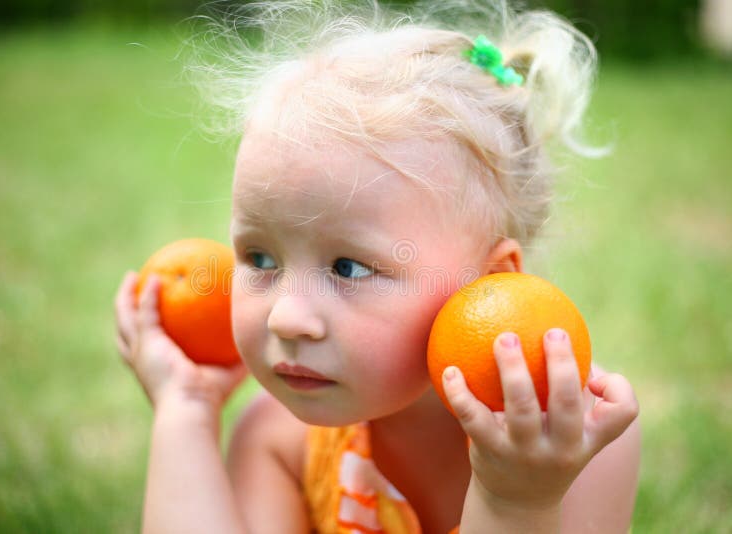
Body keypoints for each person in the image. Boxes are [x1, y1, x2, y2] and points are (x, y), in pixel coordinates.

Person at [114, 1, 640, 532]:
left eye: (348, 268)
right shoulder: (279, 438)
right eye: (261, 258)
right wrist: (185, 410)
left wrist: (519, 502)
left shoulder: (579, 441)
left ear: (488, 283)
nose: (285, 318)